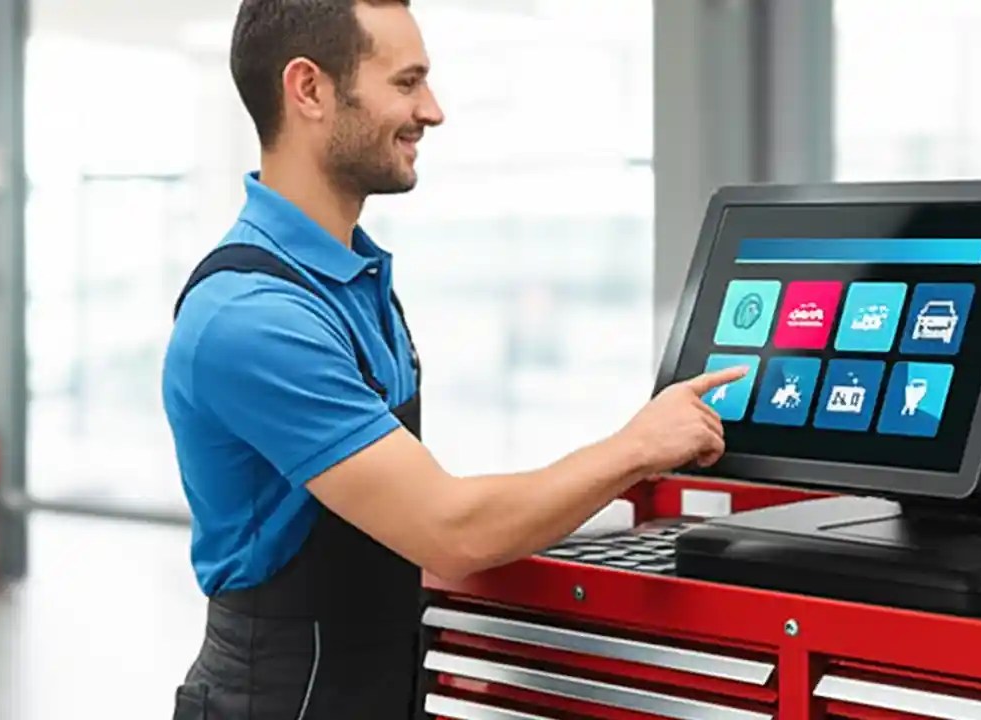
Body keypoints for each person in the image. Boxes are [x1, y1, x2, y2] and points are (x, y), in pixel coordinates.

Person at [162, 1, 745, 718]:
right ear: (308, 89)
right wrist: (636, 448)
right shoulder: (253, 317)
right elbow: (448, 528)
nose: (431, 111)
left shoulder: (352, 280)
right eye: (406, 83)